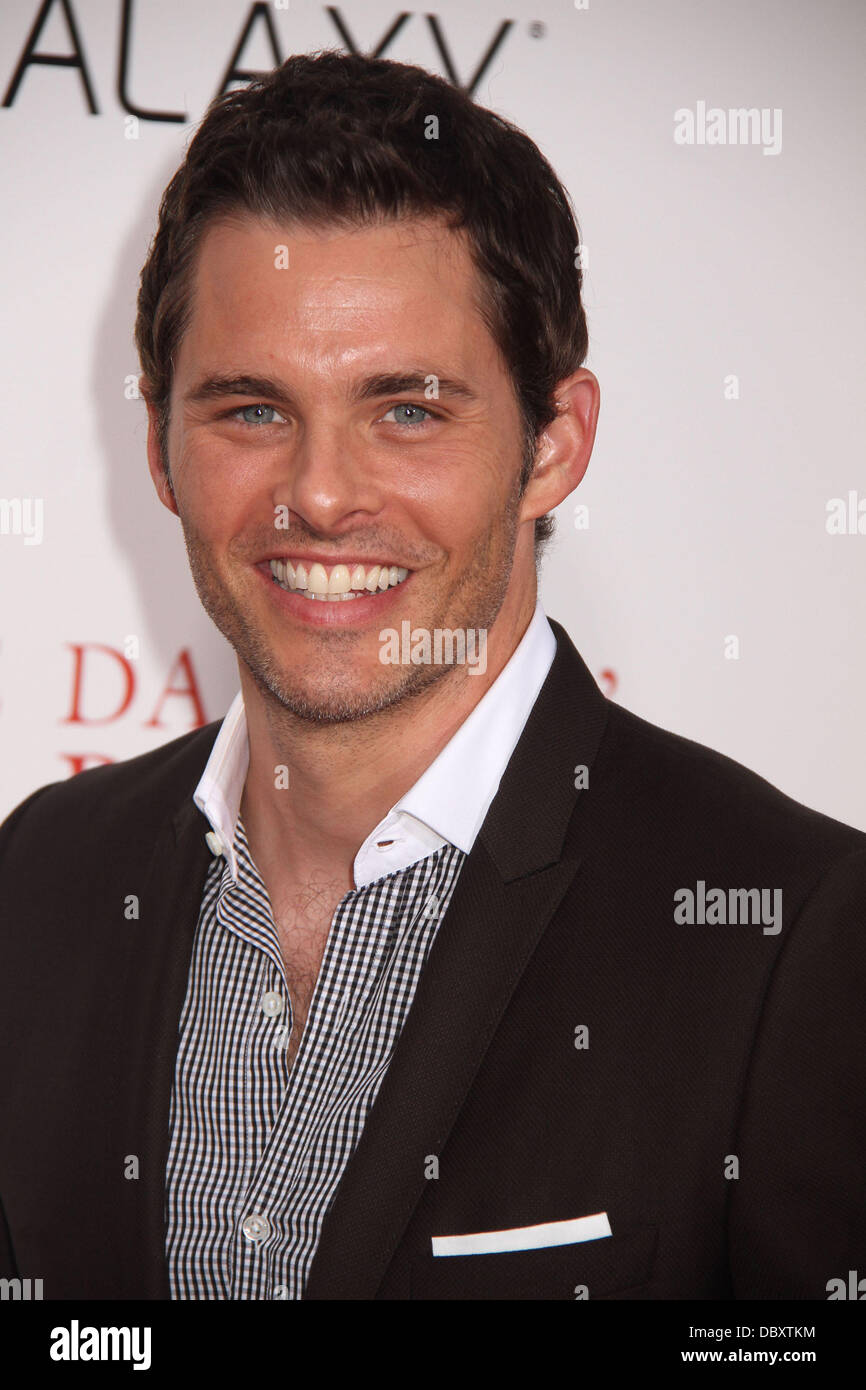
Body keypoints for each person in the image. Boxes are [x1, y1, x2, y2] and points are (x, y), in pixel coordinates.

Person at [1, 50, 864, 1303]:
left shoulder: (791, 935)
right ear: (159, 449)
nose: (319, 494)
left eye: (406, 409)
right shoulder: (42, 883)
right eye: (250, 410)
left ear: (553, 445)